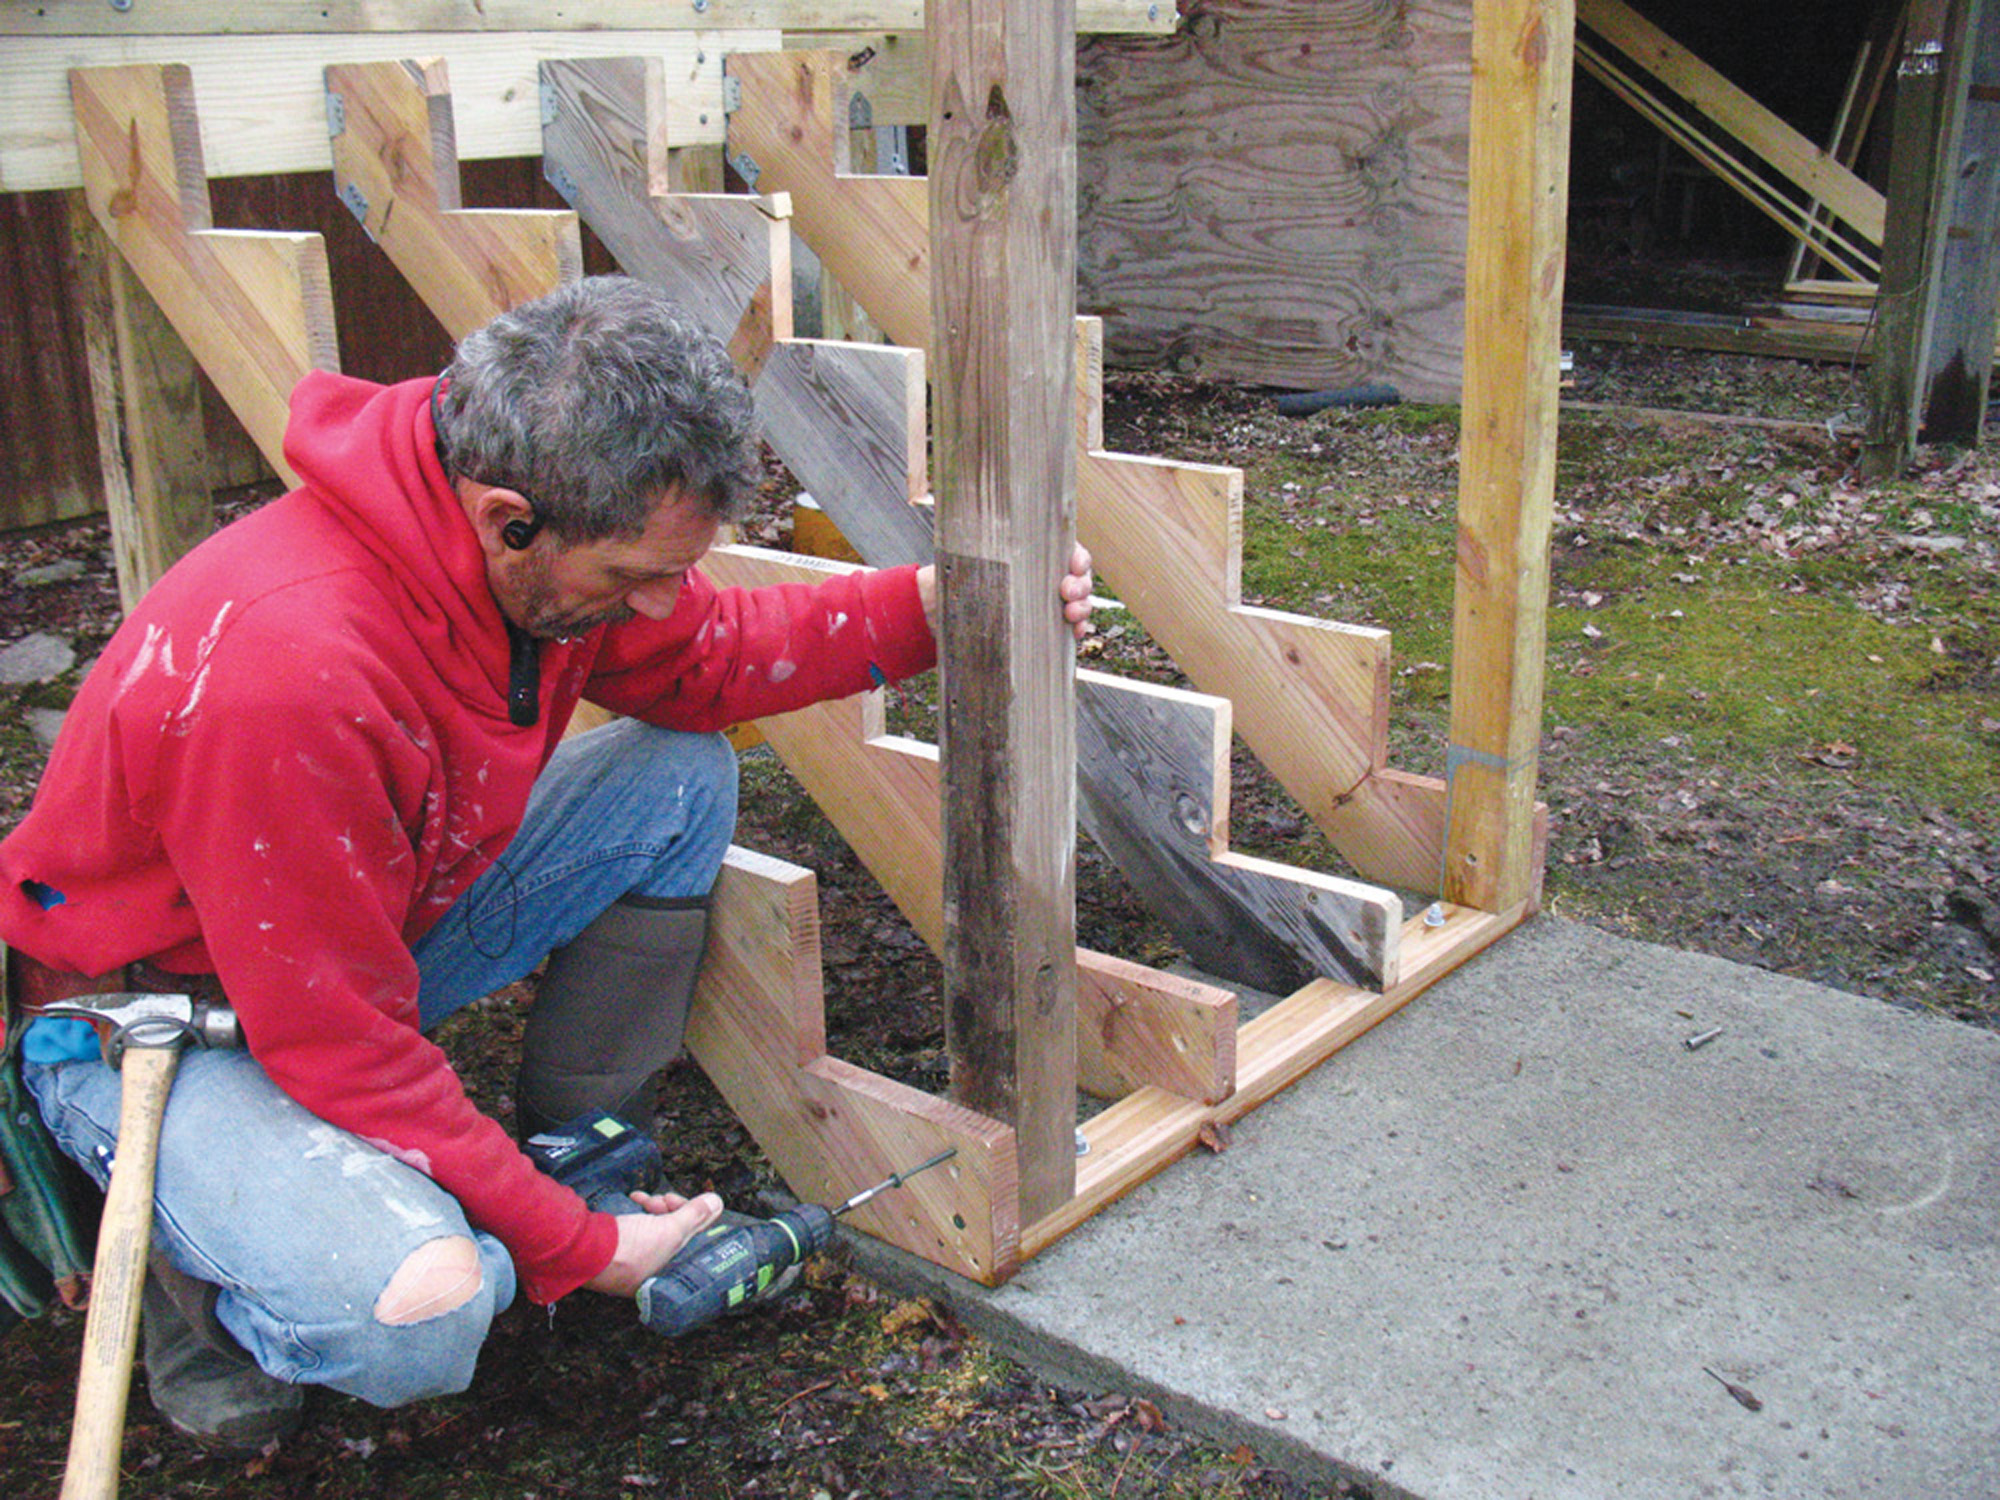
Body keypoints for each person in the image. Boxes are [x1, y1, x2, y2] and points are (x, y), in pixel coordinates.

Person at [0, 275, 1093, 1448]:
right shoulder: (290, 677)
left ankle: (581, 1155)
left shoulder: (523, 545)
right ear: (506, 517)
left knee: (675, 779)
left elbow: (704, 658)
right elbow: (341, 1043)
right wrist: (580, 1255)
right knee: (426, 1308)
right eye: (630, 578)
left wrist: (934, 609)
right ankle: (201, 1271)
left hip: (351, 933)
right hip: (157, 1023)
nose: (661, 603)